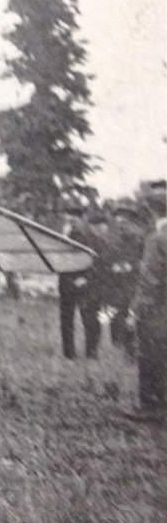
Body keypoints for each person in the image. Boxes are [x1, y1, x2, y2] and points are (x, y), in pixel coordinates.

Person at [126, 181, 167, 423]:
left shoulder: (157, 239)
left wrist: (136, 310)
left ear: (151, 211)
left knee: (152, 354)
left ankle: (152, 406)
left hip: (158, 309)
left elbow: (150, 279)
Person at [58, 204, 104, 360]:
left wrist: (86, 278)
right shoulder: (60, 237)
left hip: (86, 284)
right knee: (66, 320)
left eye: (75, 217)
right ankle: (69, 354)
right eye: (68, 215)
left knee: (90, 319)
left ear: (82, 218)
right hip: (66, 282)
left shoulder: (91, 237)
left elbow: (98, 260)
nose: (72, 220)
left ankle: (92, 353)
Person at [103, 200, 145, 353]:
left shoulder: (139, 239)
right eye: (119, 222)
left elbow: (144, 261)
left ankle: (131, 348)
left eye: (125, 222)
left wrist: (131, 266)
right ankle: (119, 345)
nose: (121, 226)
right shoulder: (113, 240)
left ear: (131, 221)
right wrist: (112, 267)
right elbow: (106, 259)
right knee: (116, 314)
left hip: (132, 283)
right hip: (116, 284)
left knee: (131, 315)